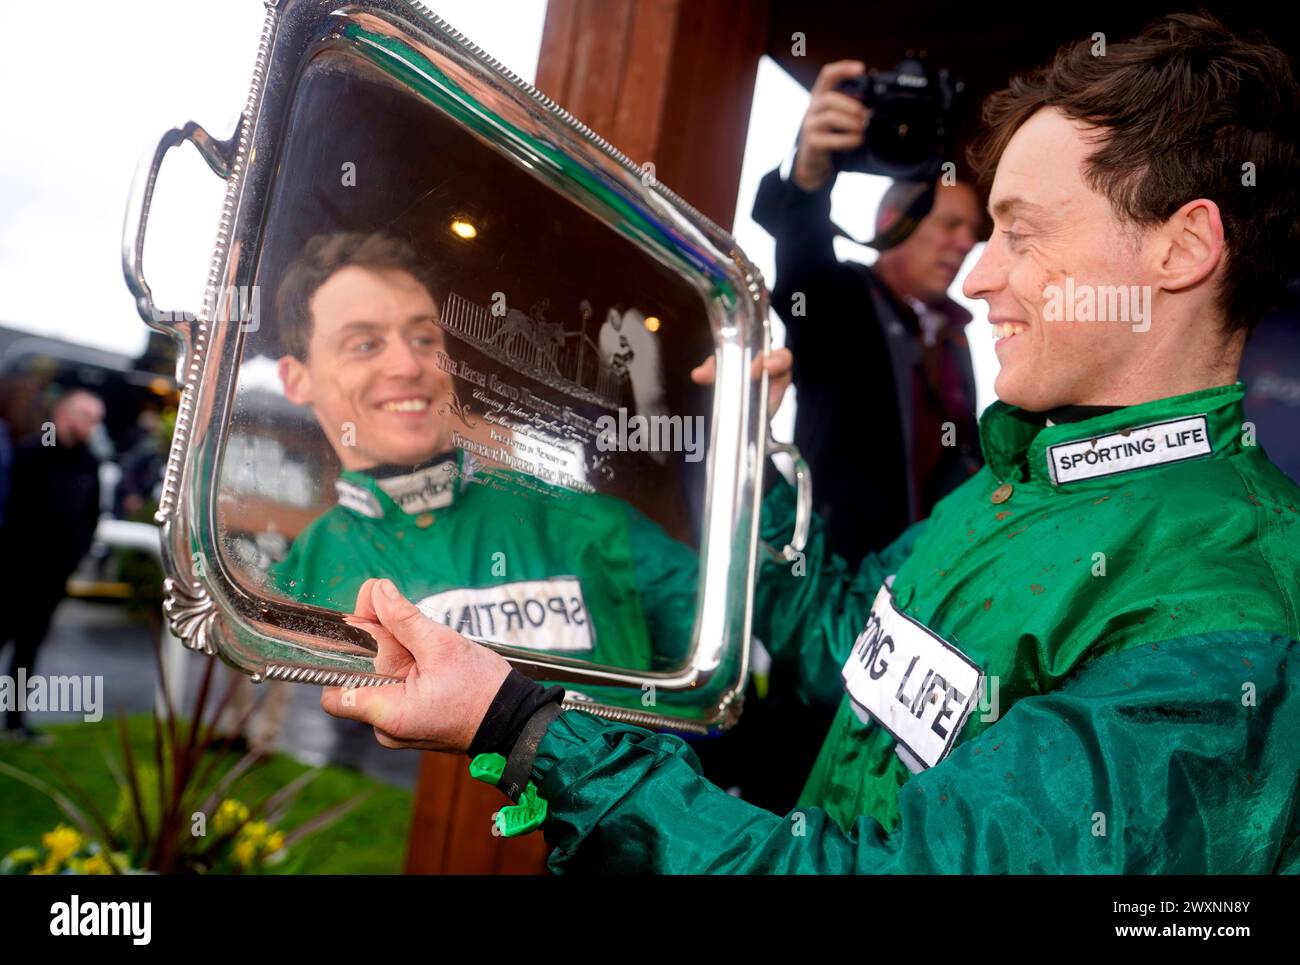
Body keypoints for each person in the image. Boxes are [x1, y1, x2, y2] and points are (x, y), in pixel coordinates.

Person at [320, 13, 1300, 872]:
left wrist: (524, 727)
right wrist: (755, 462)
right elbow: (839, 641)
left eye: (1021, 232)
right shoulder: (1018, 479)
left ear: (1181, 248)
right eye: (980, 231)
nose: (979, 275)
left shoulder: (1226, 611)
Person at [269, 232, 697, 672]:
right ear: (296, 379)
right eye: (365, 344)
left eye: (423, 339)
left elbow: (759, 624)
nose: (408, 366)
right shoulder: (289, 586)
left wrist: (753, 445)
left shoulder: (584, 529)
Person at [752, 61, 987, 569]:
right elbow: (804, 261)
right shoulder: (839, 300)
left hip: (930, 577)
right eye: (950, 224)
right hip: (835, 582)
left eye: (971, 230)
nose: (965, 242)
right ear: (891, 222)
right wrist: (810, 177)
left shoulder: (954, 336)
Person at [0, 388, 104, 743]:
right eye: (88, 418)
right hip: (15, 574)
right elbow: (14, 511)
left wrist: (76, 556)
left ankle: (14, 723)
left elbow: (90, 515)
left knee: (28, 650)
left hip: (53, 578)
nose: (93, 427)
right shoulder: (33, 452)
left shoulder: (89, 461)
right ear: (67, 415)